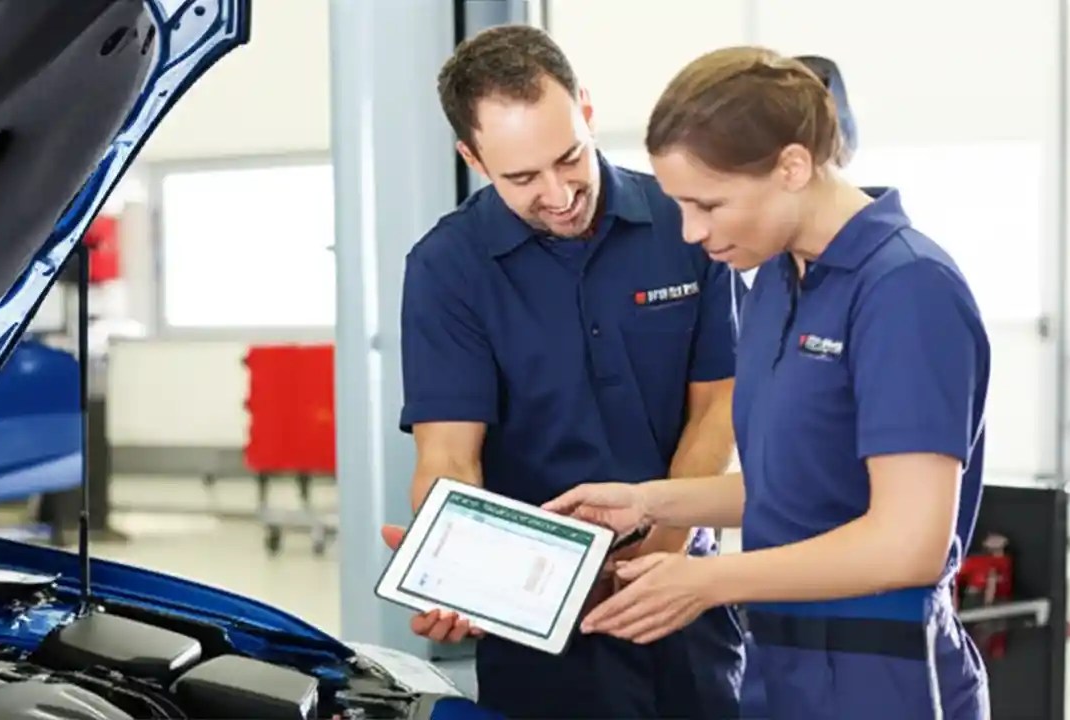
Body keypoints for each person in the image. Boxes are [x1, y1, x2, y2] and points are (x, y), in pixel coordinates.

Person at [543, 45, 992, 720]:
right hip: (781, 664)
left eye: (708, 204)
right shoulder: (776, 282)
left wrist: (708, 580)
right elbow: (797, 487)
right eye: (679, 206)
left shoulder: (907, 290)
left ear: (792, 167)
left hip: (883, 671)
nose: (691, 232)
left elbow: (909, 544)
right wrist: (648, 503)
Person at [383, 24, 745, 720]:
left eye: (569, 157)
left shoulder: (684, 223)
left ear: (585, 109)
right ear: (472, 158)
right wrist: (460, 572)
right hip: (540, 618)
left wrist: (653, 554)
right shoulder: (447, 268)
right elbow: (448, 456)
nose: (558, 193)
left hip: (685, 592)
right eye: (522, 178)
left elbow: (719, 404)